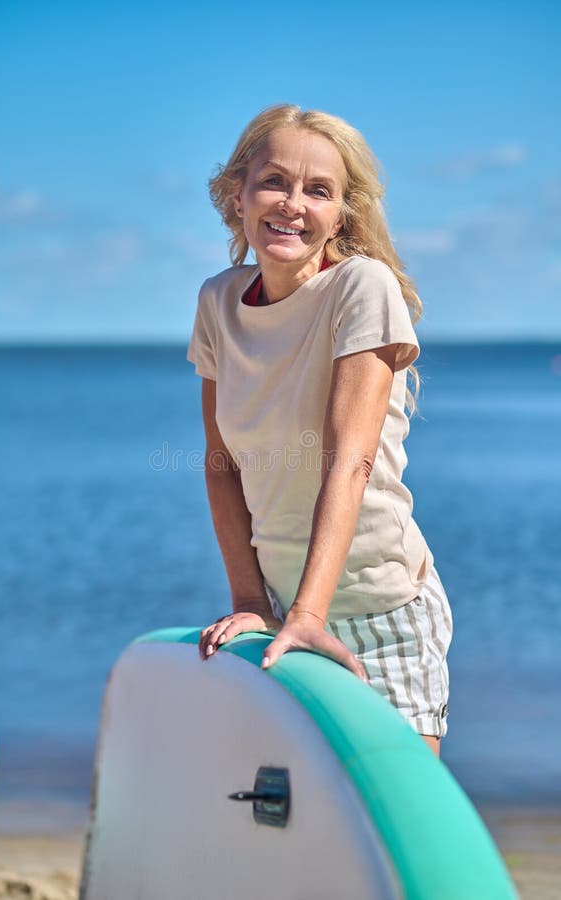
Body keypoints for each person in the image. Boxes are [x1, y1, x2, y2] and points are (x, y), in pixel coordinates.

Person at [186, 104, 453, 758]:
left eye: (318, 190)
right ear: (236, 193)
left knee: (398, 832)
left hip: (383, 610)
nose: (292, 204)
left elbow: (349, 463)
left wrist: (310, 614)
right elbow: (221, 465)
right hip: (282, 609)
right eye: (274, 181)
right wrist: (251, 599)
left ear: (342, 214)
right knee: (297, 818)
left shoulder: (362, 288)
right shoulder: (218, 301)